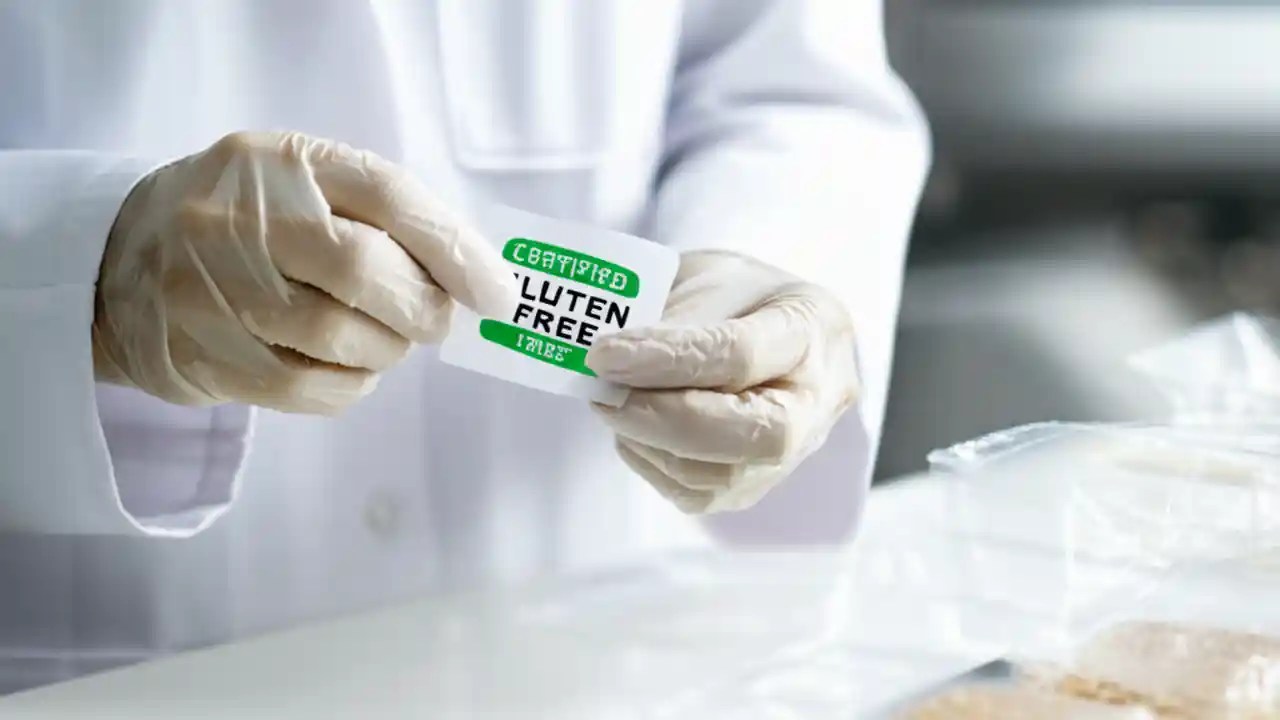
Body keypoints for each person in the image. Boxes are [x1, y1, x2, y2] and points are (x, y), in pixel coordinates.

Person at [0, 0, 929, 692]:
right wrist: (76, 265)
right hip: (104, 669)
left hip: (601, 645)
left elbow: (790, 84)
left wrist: (767, 265)